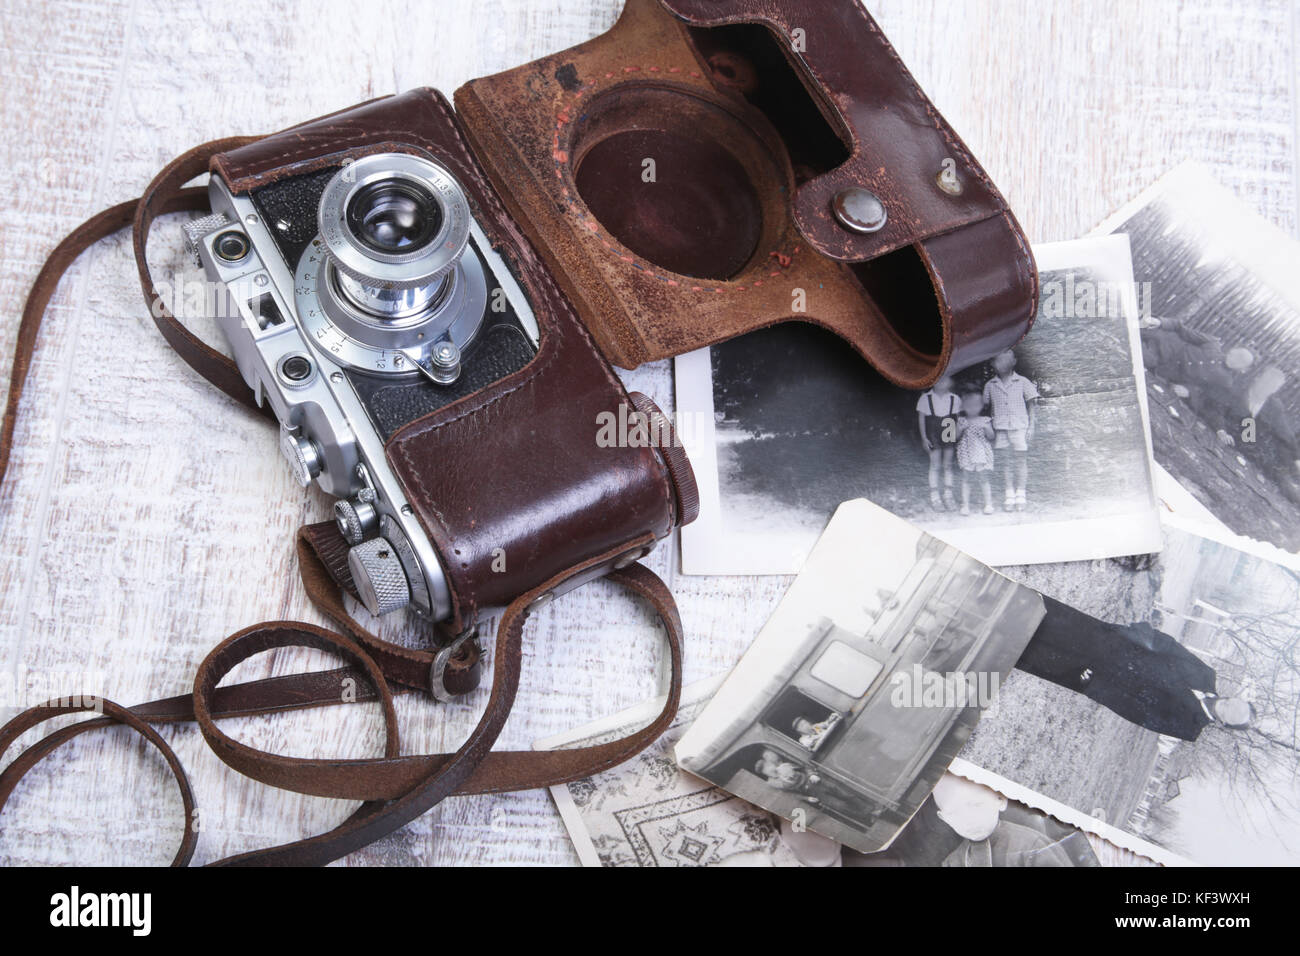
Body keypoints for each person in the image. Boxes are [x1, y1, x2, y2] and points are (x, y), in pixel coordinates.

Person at [1017, 597, 1256, 741]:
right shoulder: (1206, 675)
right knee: (1051, 616)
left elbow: (1140, 714)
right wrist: (1134, 633)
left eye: (1234, 715)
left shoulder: (1189, 727)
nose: (1231, 707)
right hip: (1114, 643)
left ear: (1225, 724)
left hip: (1097, 676)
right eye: (1238, 704)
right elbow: (1171, 648)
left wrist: (1095, 687)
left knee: (1034, 653)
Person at [931, 775, 1076, 867]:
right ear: (945, 819)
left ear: (1000, 799)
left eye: (976, 805)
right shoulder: (953, 863)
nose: (968, 820)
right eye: (954, 813)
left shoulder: (1032, 846)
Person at [982, 350, 1039, 511]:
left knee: (1020, 460)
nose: (1002, 364)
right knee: (1005, 462)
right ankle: (1009, 494)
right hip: (1000, 429)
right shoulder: (990, 385)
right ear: (993, 364)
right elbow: (984, 407)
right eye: (998, 361)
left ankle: (1021, 494)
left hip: (1019, 427)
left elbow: (1032, 404)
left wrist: (1031, 426)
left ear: (1013, 362)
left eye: (1006, 360)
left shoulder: (1022, 381)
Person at [916, 374, 960, 511]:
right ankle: (935, 497)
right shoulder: (925, 398)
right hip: (932, 432)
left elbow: (957, 420)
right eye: (938, 378)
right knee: (935, 465)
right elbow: (922, 419)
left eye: (945, 379)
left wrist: (957, 436)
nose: (941, 382)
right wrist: (924, 438)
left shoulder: (955, 398)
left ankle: (948, 495)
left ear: (950, 382)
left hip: (949, 430)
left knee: (947, 465)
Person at [955, 391, 995, 515]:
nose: (972, 408)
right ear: (963, 407)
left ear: (981, 406)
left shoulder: (985, 420)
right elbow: (954, 437)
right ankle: (965, 505)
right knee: (966, 479)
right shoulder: (961, 420)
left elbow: (992, 437)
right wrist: (960, 429)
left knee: (984, 479)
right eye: (969, 405)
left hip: (982, 453)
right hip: (966, 453)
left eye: (976, 405)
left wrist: (987, 428)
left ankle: (988, 504)